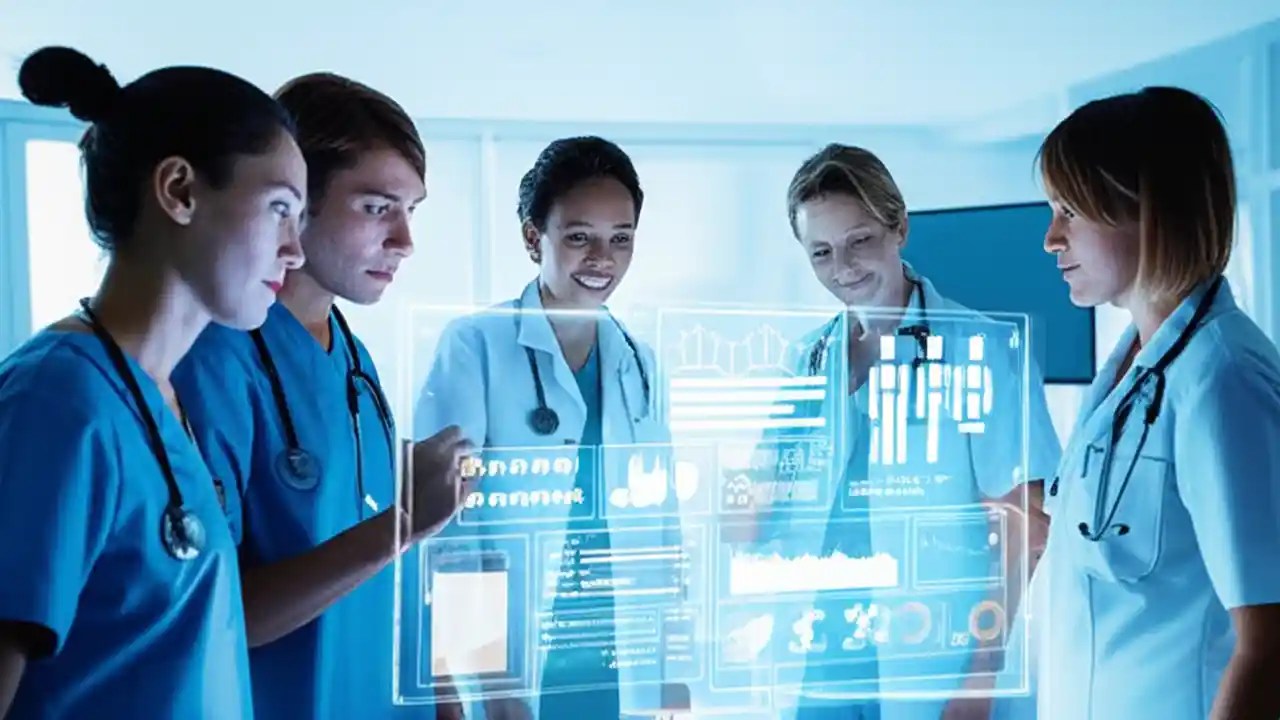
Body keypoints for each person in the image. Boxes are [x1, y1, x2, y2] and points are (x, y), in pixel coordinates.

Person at [0, 47, 306, 718]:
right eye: (279, 209)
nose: (295, 250)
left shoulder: (163, 403)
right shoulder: (57, 401)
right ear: (180, 191)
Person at [172, 73, 471, 719]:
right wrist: (403, 522)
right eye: (376, 207)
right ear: (292, 200)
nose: (405, 241)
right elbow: (218, 613)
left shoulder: (354, 360)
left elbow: (391, 573)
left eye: (411, 210)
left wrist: (445, 698)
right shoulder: (212, 361)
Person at [747, 144, 1062, 720]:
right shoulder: (807, 359)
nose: (842, 267)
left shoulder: (983, 349)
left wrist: (981, 674)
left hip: (935, 657)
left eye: (860, 240)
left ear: (900, 229)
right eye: (821, 252)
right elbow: (763, 502)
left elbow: (1024, 530)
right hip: (818, 657)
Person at [413, 136, 680, 720]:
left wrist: (673, 678)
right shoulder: (476, 346)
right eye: (580, 237)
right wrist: (481, 681)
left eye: (621, 239)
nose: (602, 259)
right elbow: (451, 533)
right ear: (534, 238)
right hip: (520, 660)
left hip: (617, 656)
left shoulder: (639, 362)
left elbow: (665, 529)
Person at [1035, 86, 1280, 720]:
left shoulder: (1222, 378)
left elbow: (1269, 643)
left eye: (1069, 211)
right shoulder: (1131, 371)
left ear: (1151, 212)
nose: (1051, 238)